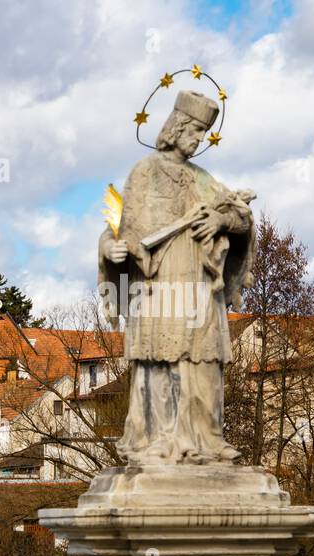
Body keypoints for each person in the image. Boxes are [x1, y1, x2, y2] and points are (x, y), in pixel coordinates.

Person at [99, 89, 255, 465]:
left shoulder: (201, 178)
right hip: (157, 284)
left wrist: (221, 220)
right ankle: (159, 440)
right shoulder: (144, 172)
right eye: (196, 130)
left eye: (204, 132)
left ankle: (207, 440)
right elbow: (118, 231)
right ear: (177, 125)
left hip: (200, 284)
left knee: (205, 362)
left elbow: (241, 216)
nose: (199, 139)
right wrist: (109, 250)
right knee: (159, 361)